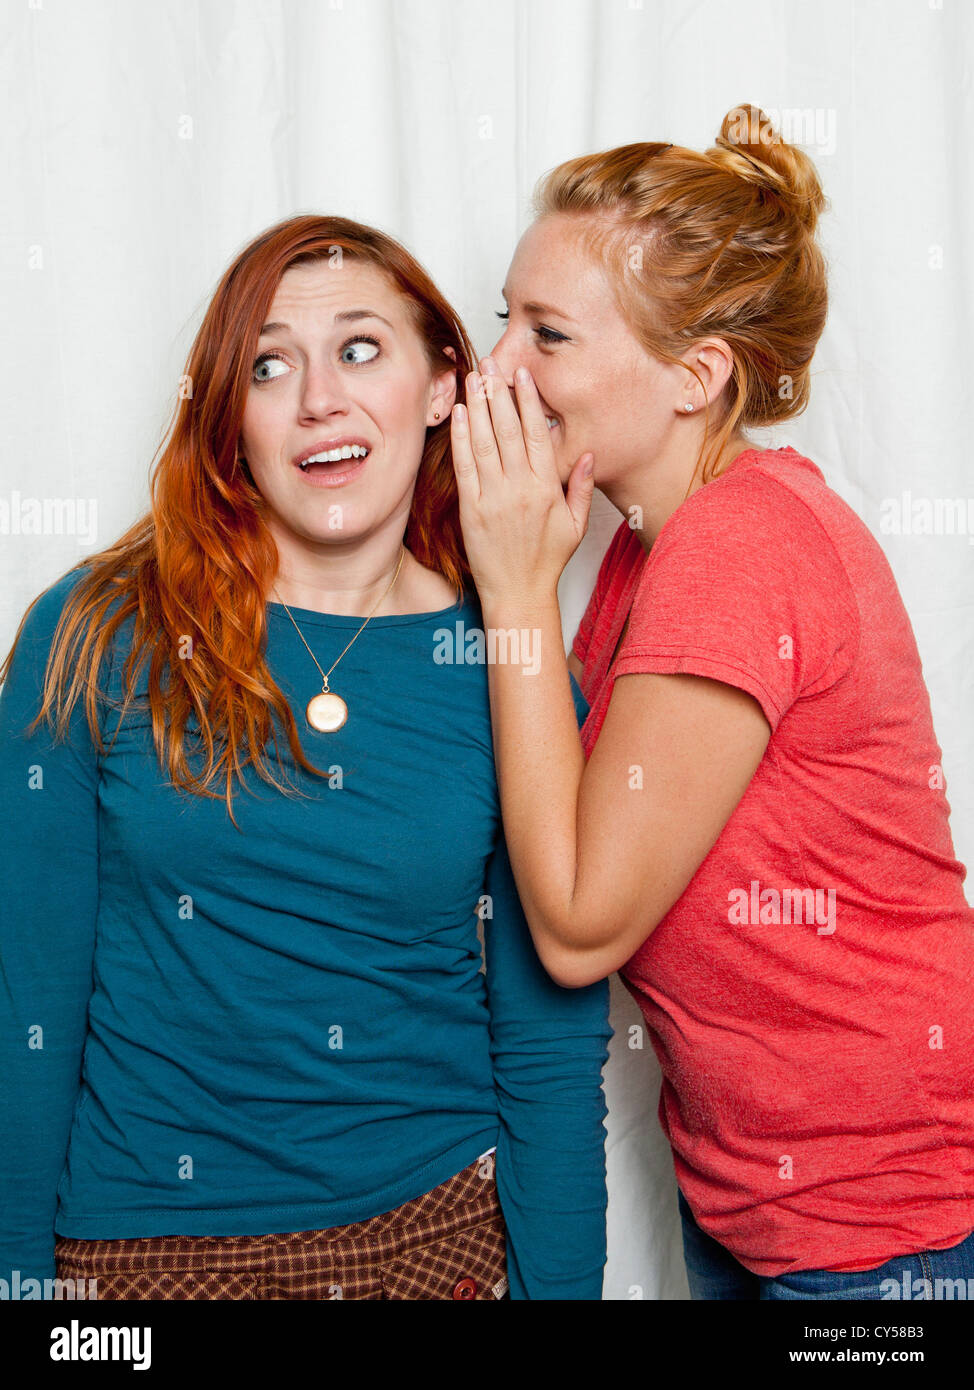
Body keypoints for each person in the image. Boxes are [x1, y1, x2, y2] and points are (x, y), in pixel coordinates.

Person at [0, 214, 611, 1302]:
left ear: (442, 388)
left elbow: (549, 1049)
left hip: (437, 1244)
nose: (318, 396)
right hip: (145, 1262)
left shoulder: (509, 668)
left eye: (360, 348)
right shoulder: (95, 634)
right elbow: (26, 997)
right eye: (270, 364)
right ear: (231, 417)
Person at [448, 104, 974, 1300]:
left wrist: (515, 588)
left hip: (877, 1223)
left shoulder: (737, 546)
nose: (500, 373)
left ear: (697, 376)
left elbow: (578, 923)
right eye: (503, 322)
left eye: (549, 335)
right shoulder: (653, 542)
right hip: (755, 1193)